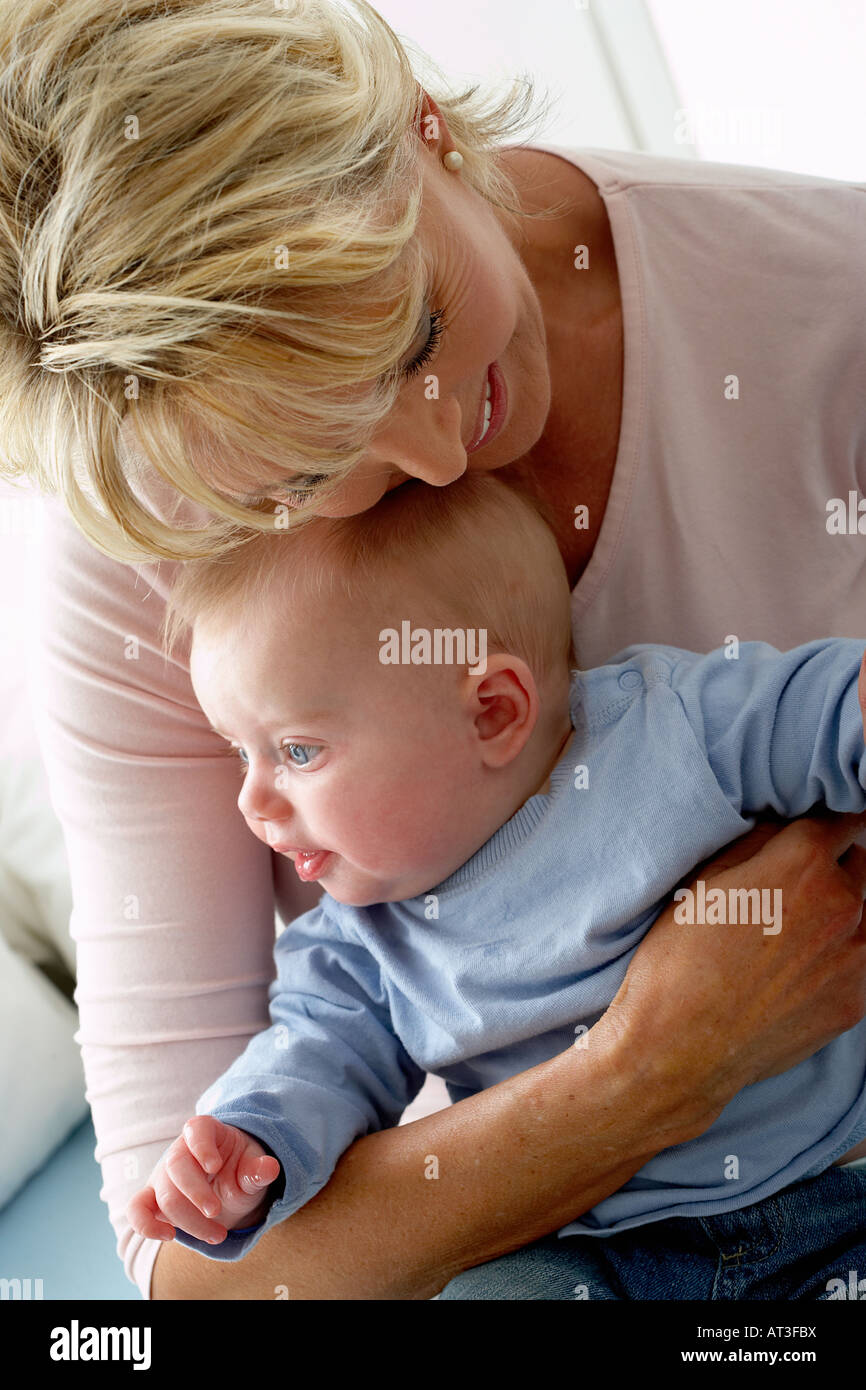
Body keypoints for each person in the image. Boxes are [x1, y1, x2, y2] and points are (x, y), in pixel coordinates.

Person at [1, 0, 864, 1300]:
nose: (441, 451)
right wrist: (646, 1071)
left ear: (415, 127)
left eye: (405, 335)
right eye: (303, 470)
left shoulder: (822, 301)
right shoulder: (146, 552)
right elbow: (199, 1283)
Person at [122, 471, 866, 1301]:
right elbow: (312, 1062)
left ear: (493, 714)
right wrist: (245, 1143)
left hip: (835, 1187)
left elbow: (832, 707)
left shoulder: (670, 730)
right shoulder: (362, 941)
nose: (252, 803)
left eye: (297, 752)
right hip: (590, 1256)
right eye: (241, 753)